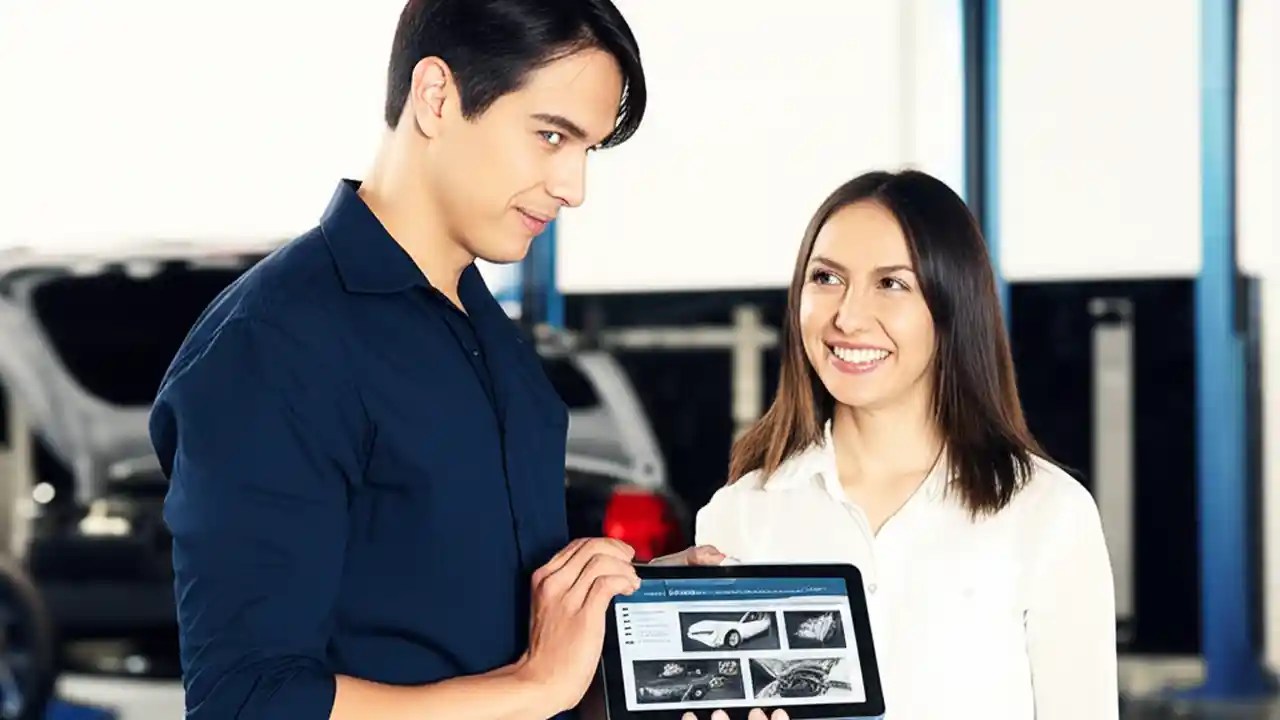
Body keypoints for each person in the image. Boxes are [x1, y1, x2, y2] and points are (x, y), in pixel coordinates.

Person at [147, 2, 680, 718]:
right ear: (436, 97)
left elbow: (481, 630)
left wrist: (643, 605)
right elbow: (246, 700)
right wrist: (534, 688)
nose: (573, 187)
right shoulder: (273, 344)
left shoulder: (492, 338)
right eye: (551, 136)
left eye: (587, 150)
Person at [693, 170, 1119, 720]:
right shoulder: (742, 515)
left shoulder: (1046, 513)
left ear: (951, 306)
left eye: (891, 284)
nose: (847, 316)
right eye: (826, 278)